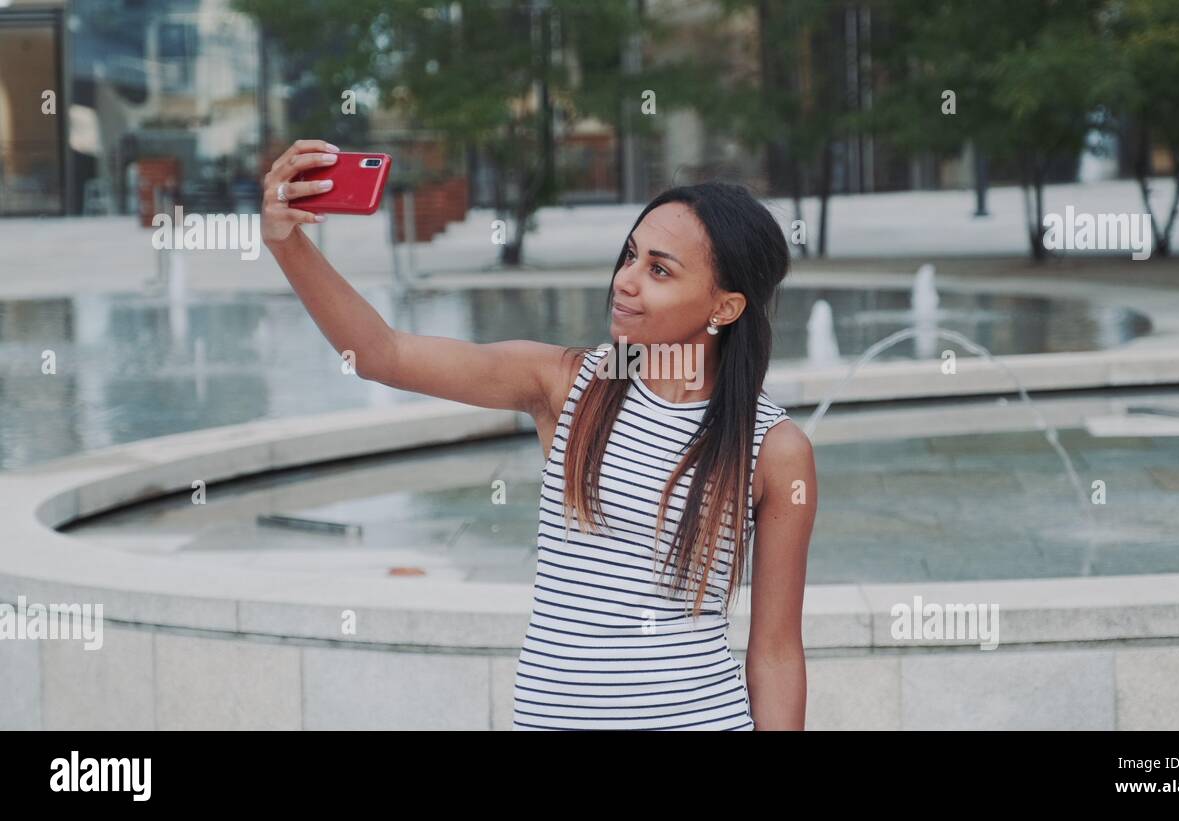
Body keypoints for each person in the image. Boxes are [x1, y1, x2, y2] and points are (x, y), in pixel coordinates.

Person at [262, 139, 817, 730]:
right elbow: (381, 353)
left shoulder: (776, 450)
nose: (626, 281)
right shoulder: (568, 385)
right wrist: (285, 241)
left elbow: (777, 652)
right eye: (630, 256)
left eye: (659, 270)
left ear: (724, 308)